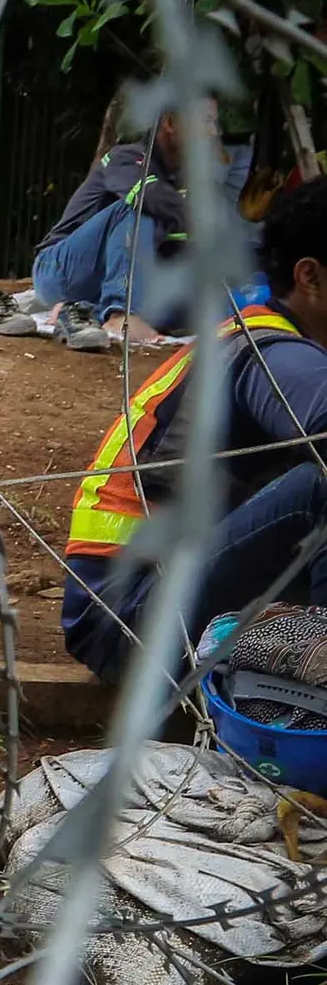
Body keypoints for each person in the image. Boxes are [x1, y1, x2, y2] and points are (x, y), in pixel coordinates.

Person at [58, 176, 327, 684]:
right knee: (319, 486)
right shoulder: (274, 356)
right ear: (310, 276)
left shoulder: (264, 338)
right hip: (131, 620)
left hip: (150, 598)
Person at [0, 106, 201, 352]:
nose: (212, 132)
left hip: (110, 280)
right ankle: (118, 314)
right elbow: (149, 198)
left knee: (189, 310)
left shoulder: (179, 181)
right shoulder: (126, 158)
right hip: (57, 269)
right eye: (206, 120)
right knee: (138, 203)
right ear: (170, 123)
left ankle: (80, 309)